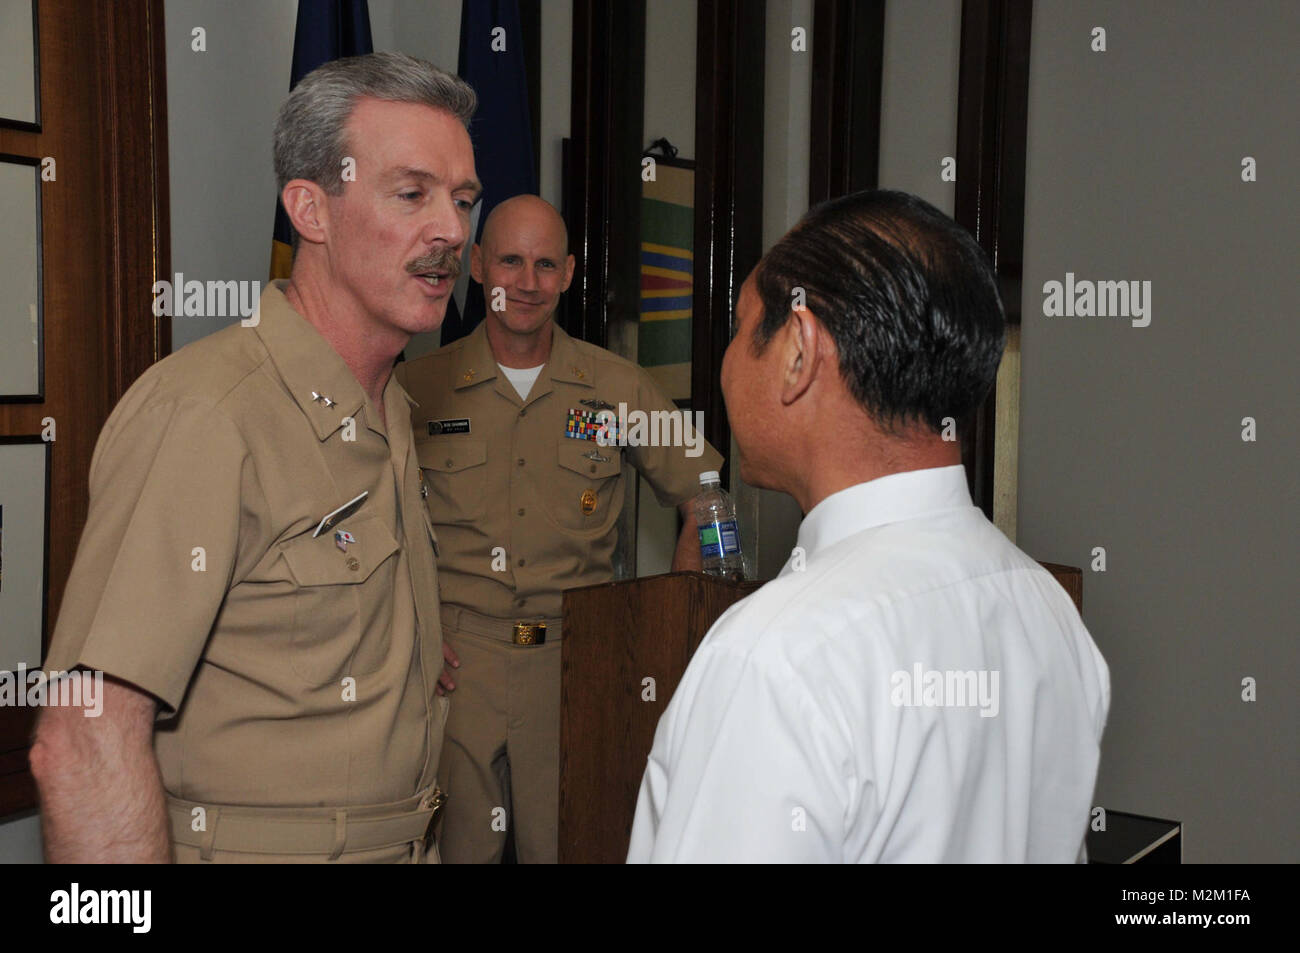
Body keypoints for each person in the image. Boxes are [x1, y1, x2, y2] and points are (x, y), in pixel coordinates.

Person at [29, 52, 480, 863]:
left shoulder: (394, 408)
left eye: (462, 199)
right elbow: (81, 741)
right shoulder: (208, 414)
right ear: (310, 209)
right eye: (413, 193)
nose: (450, 228)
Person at [627, 189, 1110, 863]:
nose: (728, 362)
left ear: (798, 350)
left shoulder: (775, 659)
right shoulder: (1048, 612)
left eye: (740, 328)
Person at [396, 194, 723, 863]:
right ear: (478, 265)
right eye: (511, 260)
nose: (527, 281)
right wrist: (409, 631)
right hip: (459, 670)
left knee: (575, 848)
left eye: (546, 264)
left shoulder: (617, 387)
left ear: (570, 272)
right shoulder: (415, 388)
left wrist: (684, 626)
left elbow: (711, 497)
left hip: (576, 668)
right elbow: (367, 521)